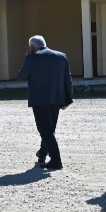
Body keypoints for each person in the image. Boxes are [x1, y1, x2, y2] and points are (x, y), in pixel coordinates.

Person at [16, 35, 72, 169]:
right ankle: (42, 154)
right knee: (49, 129)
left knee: (45, 130)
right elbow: (67, 79)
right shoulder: (61, 56)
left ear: (32, 47)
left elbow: (21, 76)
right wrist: (67, 99)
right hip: (57, 98)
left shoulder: (32, 58)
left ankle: (56, 160)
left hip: (40, 100)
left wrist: (27, 58)